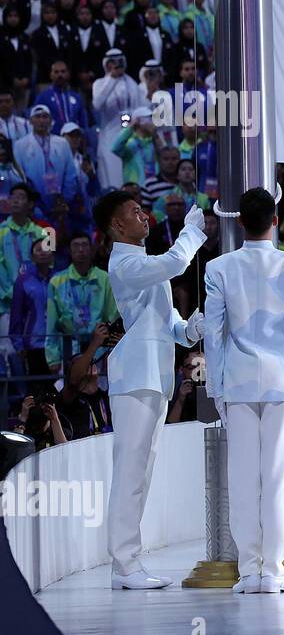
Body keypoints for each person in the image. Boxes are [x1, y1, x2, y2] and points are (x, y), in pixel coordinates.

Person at [204, 188, 284, 594]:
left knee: (243, 477)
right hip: (282, 380)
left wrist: (215, 386)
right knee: (277, 476)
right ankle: (272, 568)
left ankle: (250, 569)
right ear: (276, 220)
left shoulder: (219, 268)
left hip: (236, 380)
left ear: (238, 221)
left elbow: (213, 337)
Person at [93, 189, 205, 589]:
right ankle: (125, 563)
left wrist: (191, 330)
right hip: (135, 375)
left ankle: (126, 563)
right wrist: (192, 231)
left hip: (154, 375)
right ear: (116, 225)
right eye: (135, 212)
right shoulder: (123, 263)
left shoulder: (141, 263)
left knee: (141, 471)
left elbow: (168, 321)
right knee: (130, 472)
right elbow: (176, 262)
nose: (144, 216)